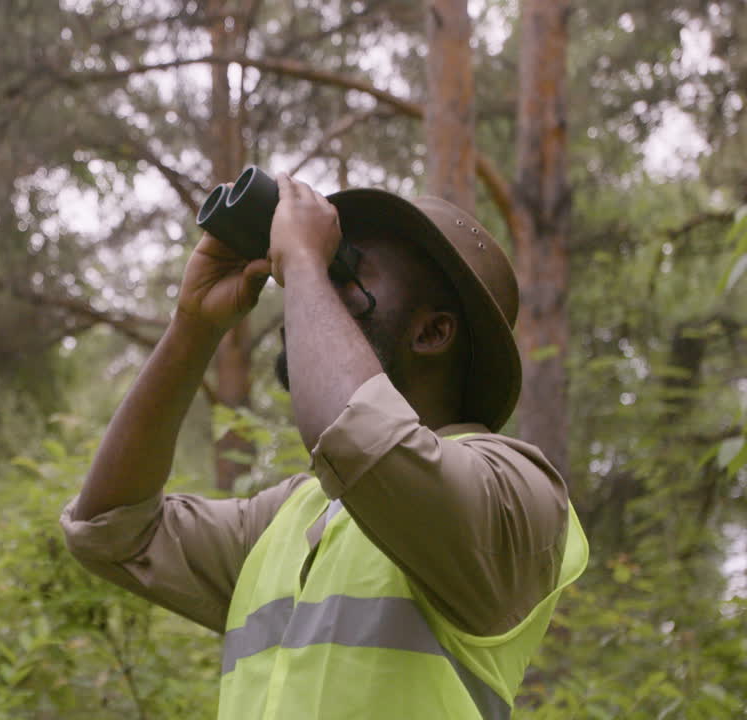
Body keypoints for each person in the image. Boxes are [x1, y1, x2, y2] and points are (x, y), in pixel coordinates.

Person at [59, 174, 589, 719]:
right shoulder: (286, 519)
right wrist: (194, 326)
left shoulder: (517, 491)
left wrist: (307, 264)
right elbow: (110, 528)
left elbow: (360, 439)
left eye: (349, 270)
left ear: (431, 333)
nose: (304, 290)